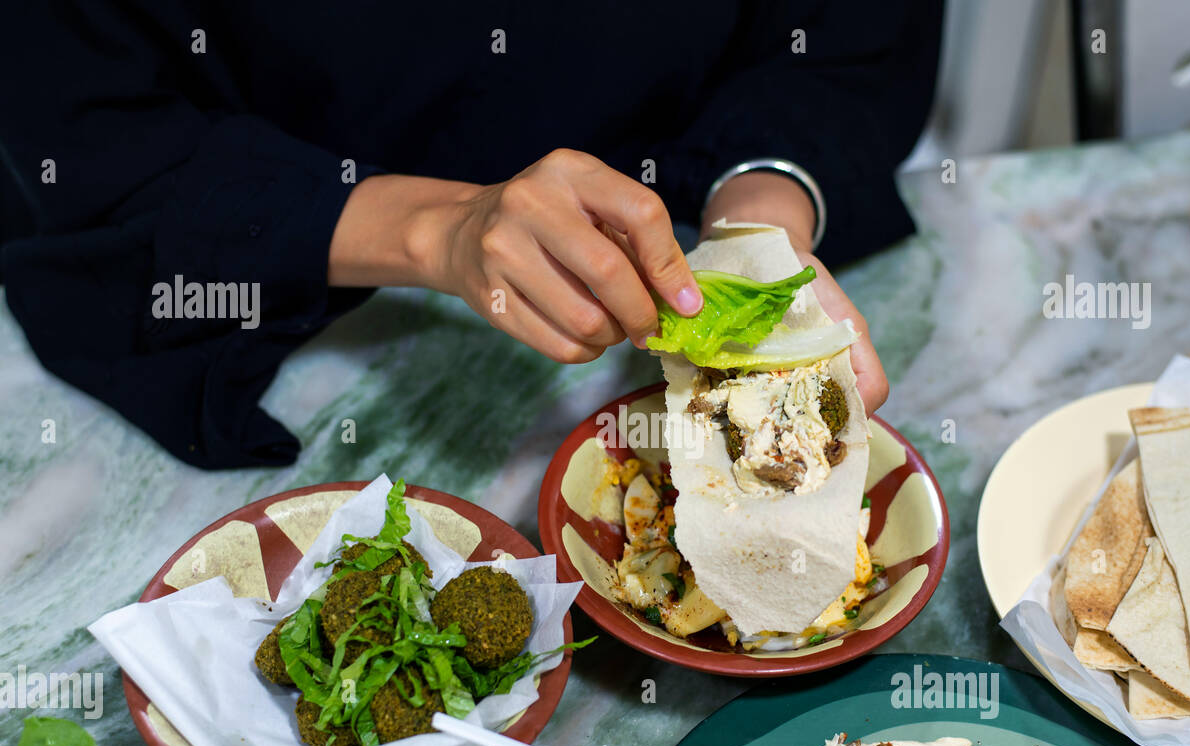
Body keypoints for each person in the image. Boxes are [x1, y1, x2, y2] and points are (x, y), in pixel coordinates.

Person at [0, 3, 942, 468]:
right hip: (272, 262)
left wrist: (756, 226)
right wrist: (435, 227)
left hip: (679, 196)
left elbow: (849, 29)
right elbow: (88, 126)